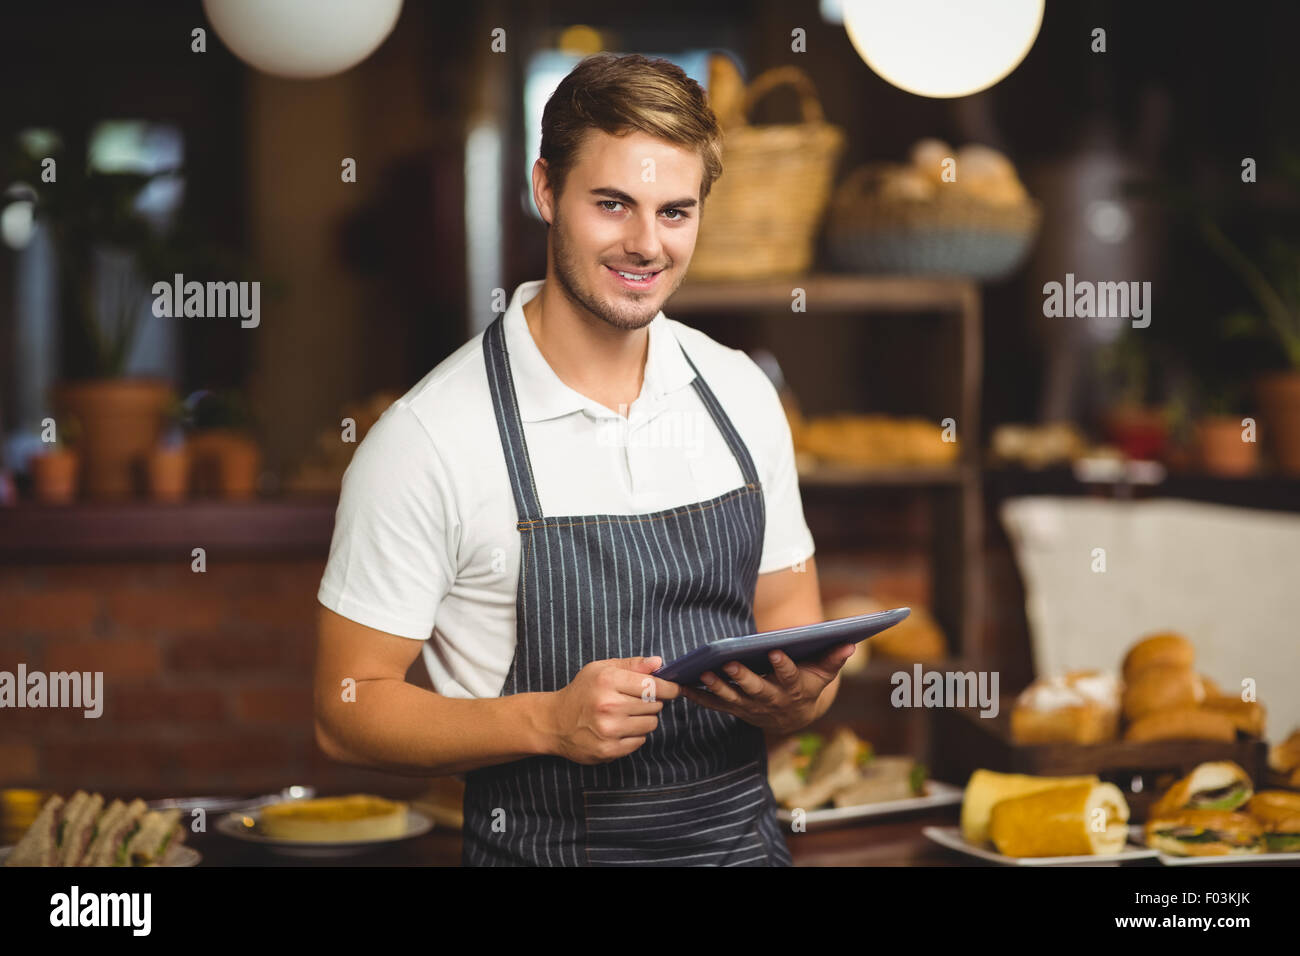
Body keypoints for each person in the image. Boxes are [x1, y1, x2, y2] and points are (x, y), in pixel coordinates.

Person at [313, 52, 855, 866]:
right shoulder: (429, 438)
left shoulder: (741, 395)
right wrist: (546, 723)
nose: (646, 244)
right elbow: (344, 711)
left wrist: (796, 702)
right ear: (545, 192)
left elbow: (795, 635)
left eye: (675, 212)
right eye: (612, 205)